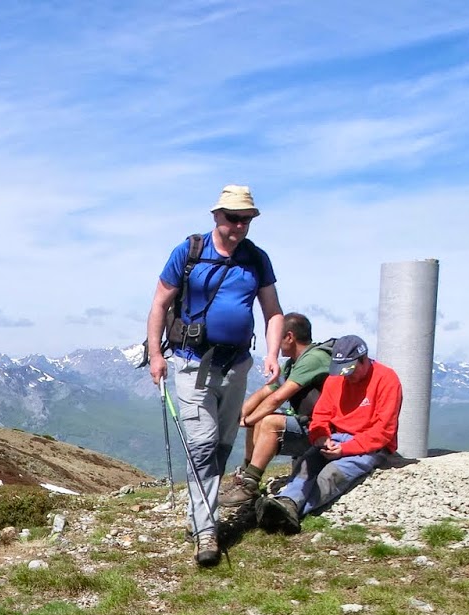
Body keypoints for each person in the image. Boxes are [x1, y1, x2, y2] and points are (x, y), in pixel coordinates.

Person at [146, 184, 284, 568]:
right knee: (203, 444)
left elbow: (273, 311)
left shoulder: (256, 259)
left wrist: (272, 353)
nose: (239, 226)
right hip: (191, 362)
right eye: (233, 218)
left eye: (246, 220)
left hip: (236, 364)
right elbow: (159, 303)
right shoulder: (189, 252)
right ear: (216, 216)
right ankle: (207, 531)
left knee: (222, 444)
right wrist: (155, 355)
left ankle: (199, 514)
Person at [258, 335, 401, 535]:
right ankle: (287, 503)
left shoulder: (387, 379)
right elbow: (321, 416)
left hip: (370, 446)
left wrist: (346, 449)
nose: (346, 376)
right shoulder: (336, 379)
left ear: (364, 360)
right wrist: (321, 436)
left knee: (332, 473)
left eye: (350, 370)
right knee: (307, 463)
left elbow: (383, 431)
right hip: (335, 438)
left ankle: (292, 511)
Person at [219, 313, 331, 516]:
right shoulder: (292, 364)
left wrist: (248, 419)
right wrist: (241, 415)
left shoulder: (313, 359)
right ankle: (245, 478)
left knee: (269, 421)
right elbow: (266, 391)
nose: (274, 345)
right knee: (260, 418)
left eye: (277, 338)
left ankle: (250, 483)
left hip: (325, 432)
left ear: (289, 337)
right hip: (308, 426)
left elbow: (277, 398)